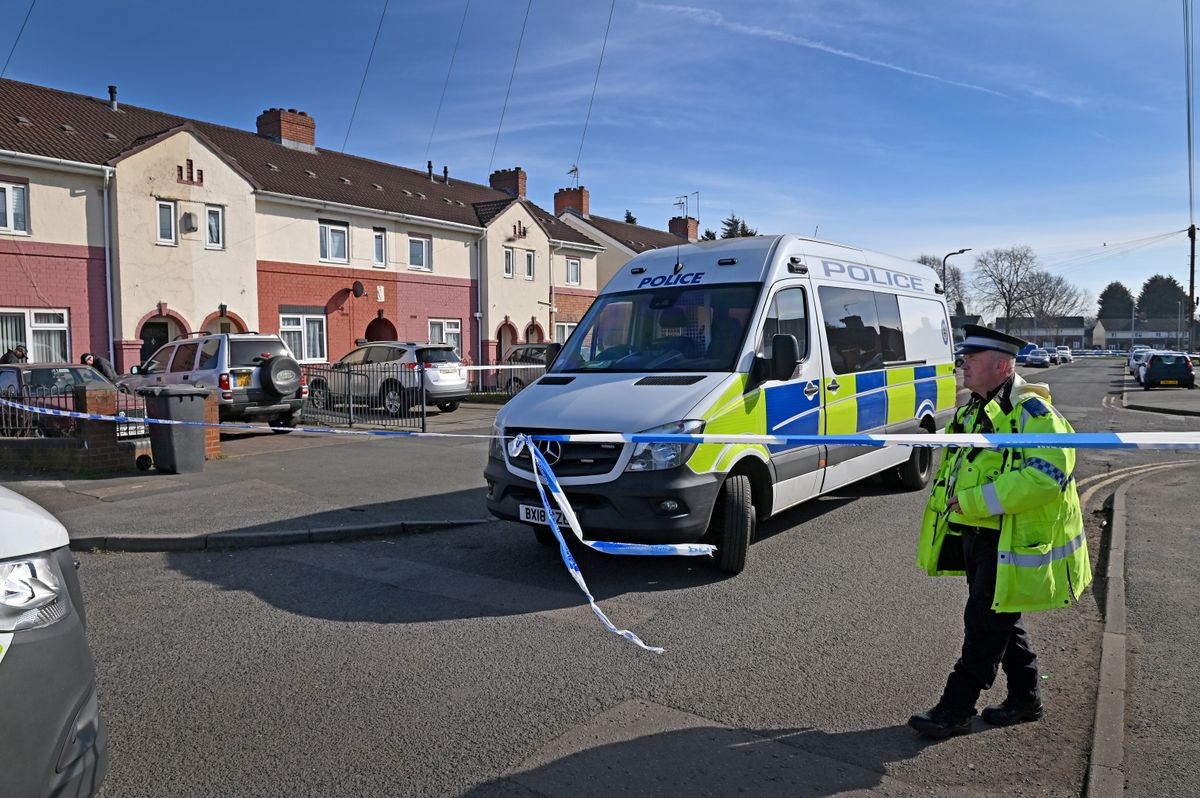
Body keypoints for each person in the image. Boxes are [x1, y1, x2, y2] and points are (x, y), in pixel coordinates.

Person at [908, 324, 1091, 738]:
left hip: (1007, 540)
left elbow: (1047, 476)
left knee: (984, 625)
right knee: (1000, 620)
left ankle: (954, 709)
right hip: (975, 535)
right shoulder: (972, 409)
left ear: (1002, 365)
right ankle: (1027, 698)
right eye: (964, 359)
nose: (963, 366)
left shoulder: (1034, 414)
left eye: (971, 360)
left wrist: (974, 502)